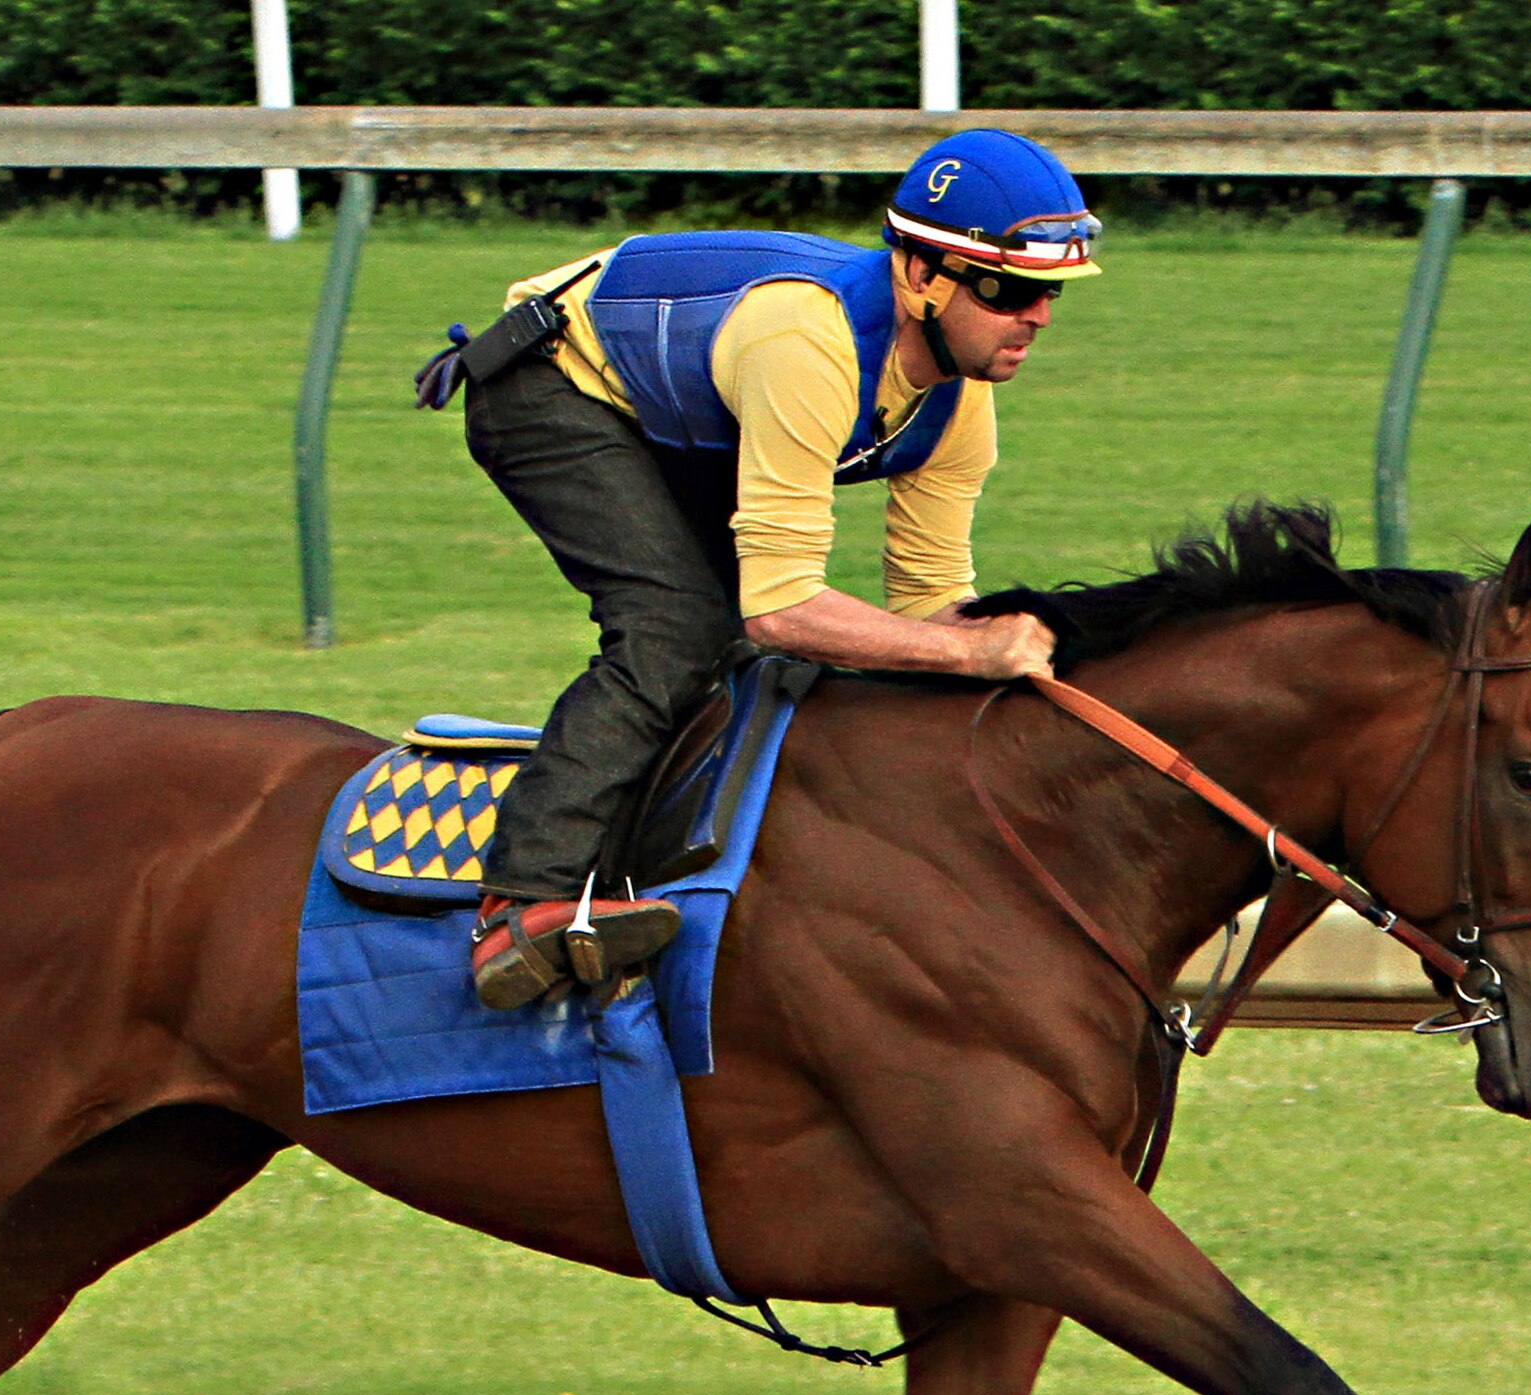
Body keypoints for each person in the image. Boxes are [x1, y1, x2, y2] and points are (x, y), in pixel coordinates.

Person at [416, 128, 1100, 1009]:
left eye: (1049, 293)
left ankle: (687, 875)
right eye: (1008, 291)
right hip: (548, 386)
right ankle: (522, 904)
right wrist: (971, 655)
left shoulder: (958, 406)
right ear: (920, 275)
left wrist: (1026, 666)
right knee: (677, 629)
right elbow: (779, 607)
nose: (1037, 317)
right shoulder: (807, 342)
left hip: (677, 412)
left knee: (764, 658)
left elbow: (931, 606)